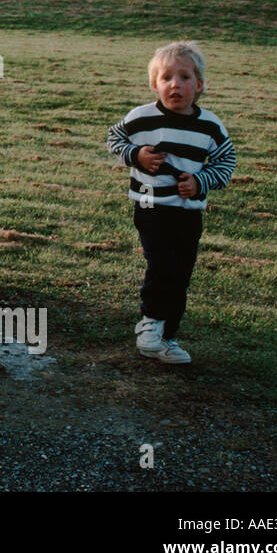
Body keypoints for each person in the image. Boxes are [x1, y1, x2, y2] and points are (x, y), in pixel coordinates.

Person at [106, 40, 236, 364]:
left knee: (181, 271)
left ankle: (167, 337)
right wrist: (135, 155)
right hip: (150, 203)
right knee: (161, 261)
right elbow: (114, 138)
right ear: (154, 84)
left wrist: (200, 181)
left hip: (188, 210)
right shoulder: (142, 118)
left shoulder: (210, 126)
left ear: (200, 85)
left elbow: (226, 162)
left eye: (184, 77)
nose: (175, 84)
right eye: (166, 78)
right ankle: (149, 323)